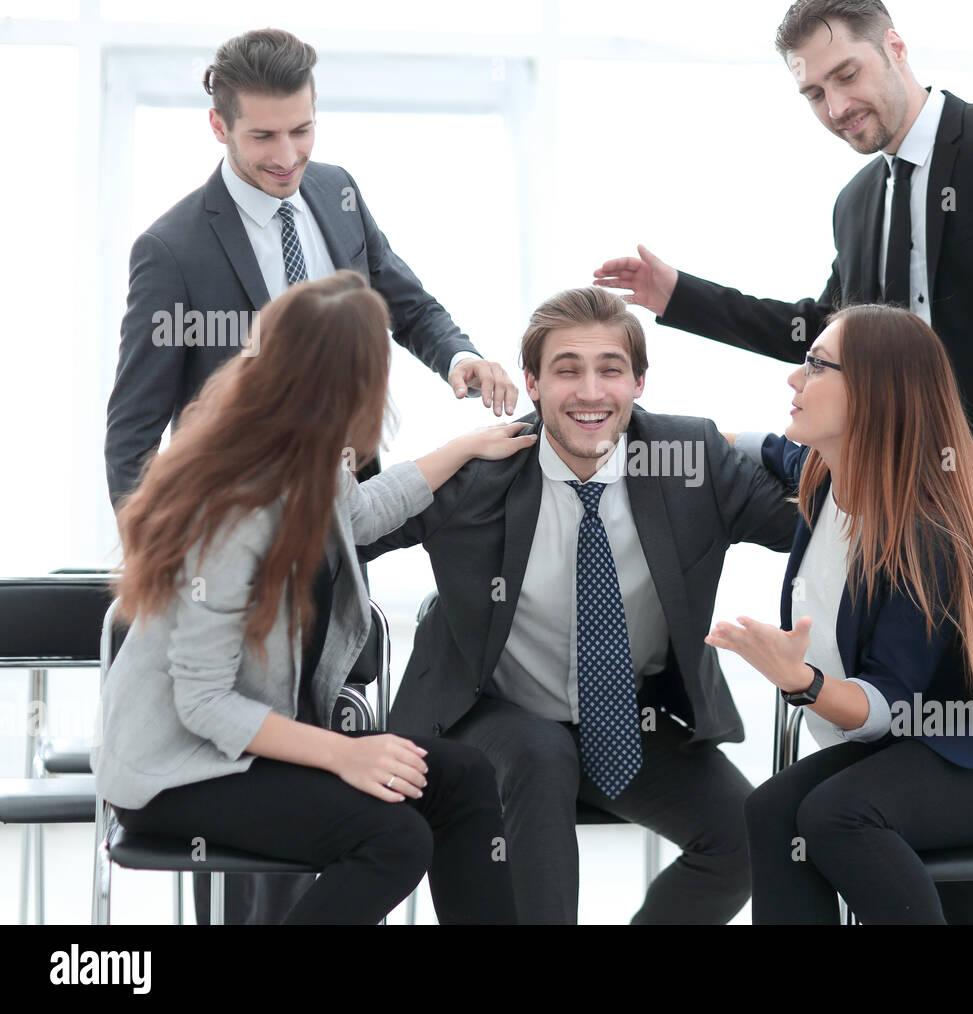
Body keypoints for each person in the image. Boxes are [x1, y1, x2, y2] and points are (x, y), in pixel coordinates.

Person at [595, 0, 973, 924]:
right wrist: (682, 298)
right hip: (928, 527)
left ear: (896, 50)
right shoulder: (857, 202)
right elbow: (826, 332)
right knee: (941, 751)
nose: (835, 106)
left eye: (846, 75)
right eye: (813, 94)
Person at [104, 26, 518, 923]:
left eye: (303, 130)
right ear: (219, 126)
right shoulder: (172, 251)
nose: (288, 155)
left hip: (309, 556)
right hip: (206, 693)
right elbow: (131, 433)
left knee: (444, 785)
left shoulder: (336, 195)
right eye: (264, 136)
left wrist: (463, 430)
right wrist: (168, 571)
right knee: (365, 833)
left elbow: (354, 506)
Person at [93, 271, 531, 925]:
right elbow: (203, 704)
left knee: (462, 777)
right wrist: (347, 754)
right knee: (394, 839)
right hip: (176, 773)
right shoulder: (239, 506)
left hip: (235, 751)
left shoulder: (299, 452)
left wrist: (464, 448)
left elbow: (359, 515)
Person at [357, 286, 799, 924]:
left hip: (626, 720)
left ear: (639, 382)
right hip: (492, 717)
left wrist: (773, 443)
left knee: (745, 838)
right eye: (567, 370)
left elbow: (817, 525)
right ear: (533, 384)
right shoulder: (482, 471)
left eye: (610, 370)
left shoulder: (691, 459)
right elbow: (343, 535)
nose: (590, 392)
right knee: (541, 755)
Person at [707, 304, 973, 923]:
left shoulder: (924, 535)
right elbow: (765, 450)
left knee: (837, 817)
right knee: (770, 811)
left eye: (816, 366)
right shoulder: (828, 477)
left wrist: (802, 681)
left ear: (874, 393)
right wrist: (660, 436)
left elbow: (886, 703)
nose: (794, 379)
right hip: (915, 743)